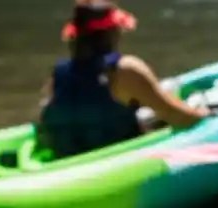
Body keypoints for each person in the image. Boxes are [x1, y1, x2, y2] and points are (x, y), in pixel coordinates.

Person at [37, 0, 209, 160]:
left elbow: (47, 123)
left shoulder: (58, 74)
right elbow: (179, 117)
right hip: (119, 160)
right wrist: (207, 115)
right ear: (112, 32)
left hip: (70, 161)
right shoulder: (125, 69)